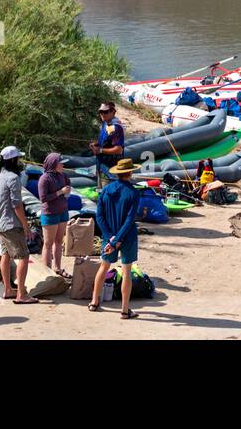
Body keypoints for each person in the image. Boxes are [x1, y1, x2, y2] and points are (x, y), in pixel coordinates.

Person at [91, 158, 141, 320]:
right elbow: (129, 220)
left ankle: (94, 302)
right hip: (127, 237)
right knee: (126, 271)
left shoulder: (106, 190)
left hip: (109, 236)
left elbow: (99, 216)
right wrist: (117, 239)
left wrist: (110, 238)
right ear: (130, 172)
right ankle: (125, 310)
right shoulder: (133, 192)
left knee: (103, 267)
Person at [0, 146, 39, 304]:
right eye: (18, 158)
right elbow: (17, 205)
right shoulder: (13, 178)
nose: (19, 161)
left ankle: (8, 290)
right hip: (11, 224)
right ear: (13, 160)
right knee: (24, 257)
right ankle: (21, 294)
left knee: (5, 255)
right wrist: (26, 226)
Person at [37, 152, 73, 279]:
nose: (63, 165)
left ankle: (57, 268)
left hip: (63, 212)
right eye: (61, 163)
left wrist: (67, 190)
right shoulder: (44, 178)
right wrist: (60, 192)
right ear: (54, 164)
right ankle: (46, 272)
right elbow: (43, 198)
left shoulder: (63, 175)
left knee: (58, 242)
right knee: (48, 243)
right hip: (50, 213)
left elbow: (67, 187)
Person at [90, 102, 125, 188]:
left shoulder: (115, 127)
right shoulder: (105, 123)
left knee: (109, 193)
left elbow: (119, 149)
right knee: (100, 191)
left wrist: (100, 150)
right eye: (101, 112)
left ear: (113, 112)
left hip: (111, 168)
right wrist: (96, 144)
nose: (102, 114)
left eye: (105, 112)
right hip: (101, 165)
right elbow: (106, 142)